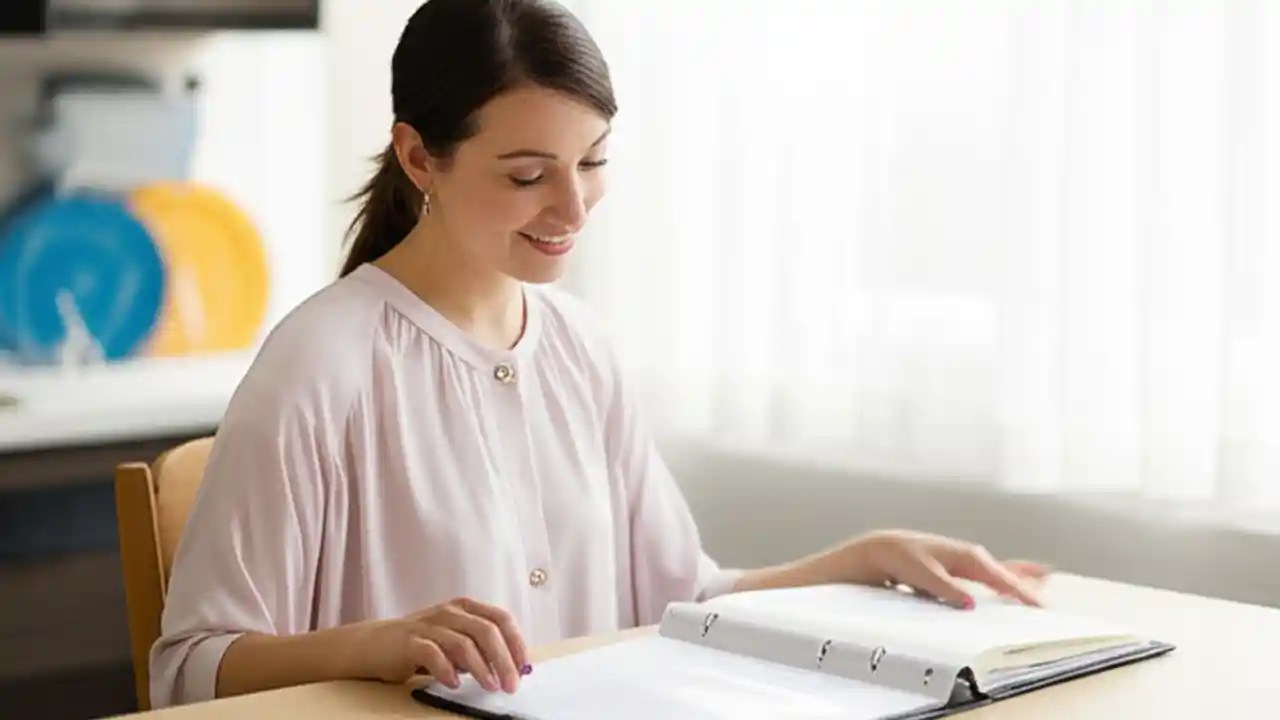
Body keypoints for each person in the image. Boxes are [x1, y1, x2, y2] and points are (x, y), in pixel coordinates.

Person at [150, 0, 1049, 708]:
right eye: (528, 175)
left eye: (593, 162)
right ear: (420, 158)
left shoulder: (578, 345)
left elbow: (675, 600)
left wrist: (856, 562)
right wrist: (375, 644)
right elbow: (190, 668)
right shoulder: (321, 364)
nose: (573, 211)